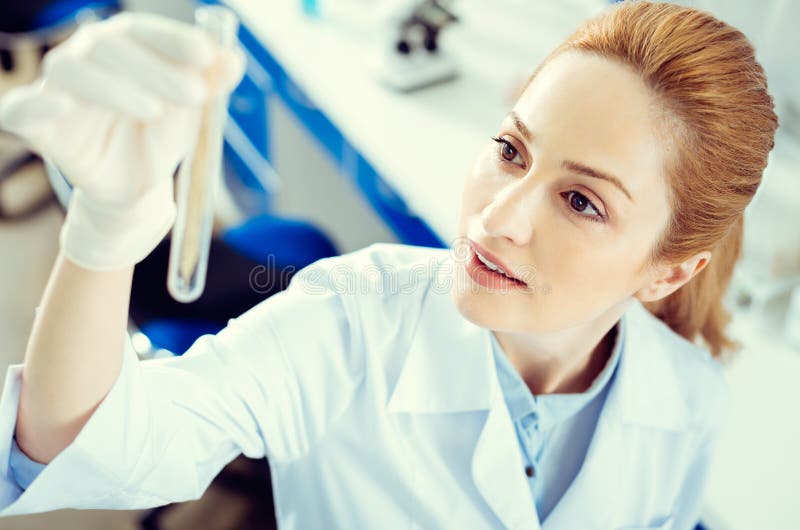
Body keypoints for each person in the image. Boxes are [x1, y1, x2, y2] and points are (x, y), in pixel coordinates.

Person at [0, 1, 779, 528]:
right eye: (511, 151)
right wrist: (104, 237)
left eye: (583, 202)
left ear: (667, 272)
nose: (496, 218)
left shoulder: (688, 402)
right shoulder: (350, 320)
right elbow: (82, 449)